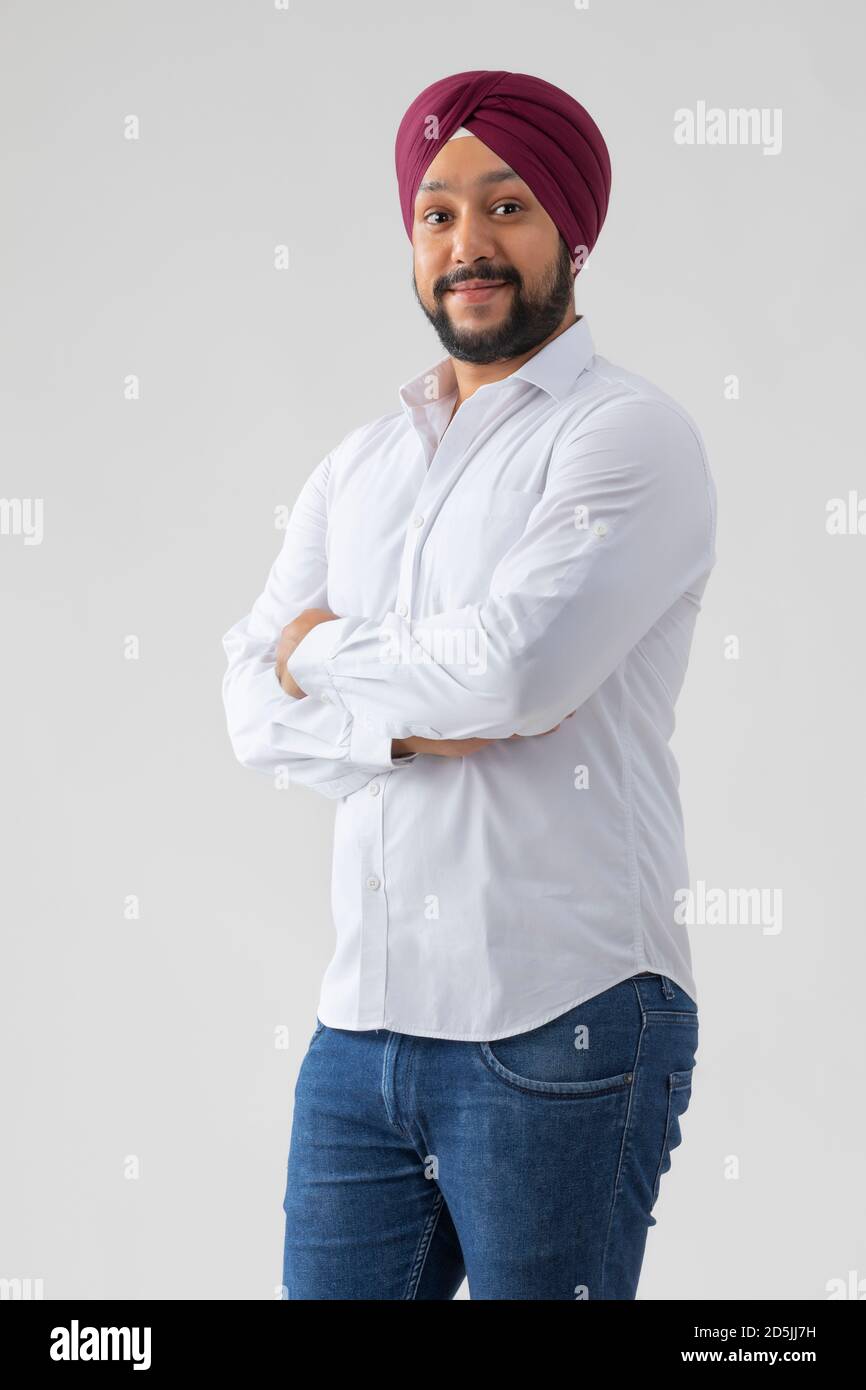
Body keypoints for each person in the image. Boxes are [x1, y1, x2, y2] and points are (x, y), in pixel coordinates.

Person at [221, 69, 717, 1300]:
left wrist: (321, 649)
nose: (466, 244)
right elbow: (243, 699)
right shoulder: (359, 462)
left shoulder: (624, 436)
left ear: (569, 233)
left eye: (505, 206)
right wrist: (394, 737)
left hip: (563, 1014)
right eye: (436, 213)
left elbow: (512, 672)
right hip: (362, 1030)